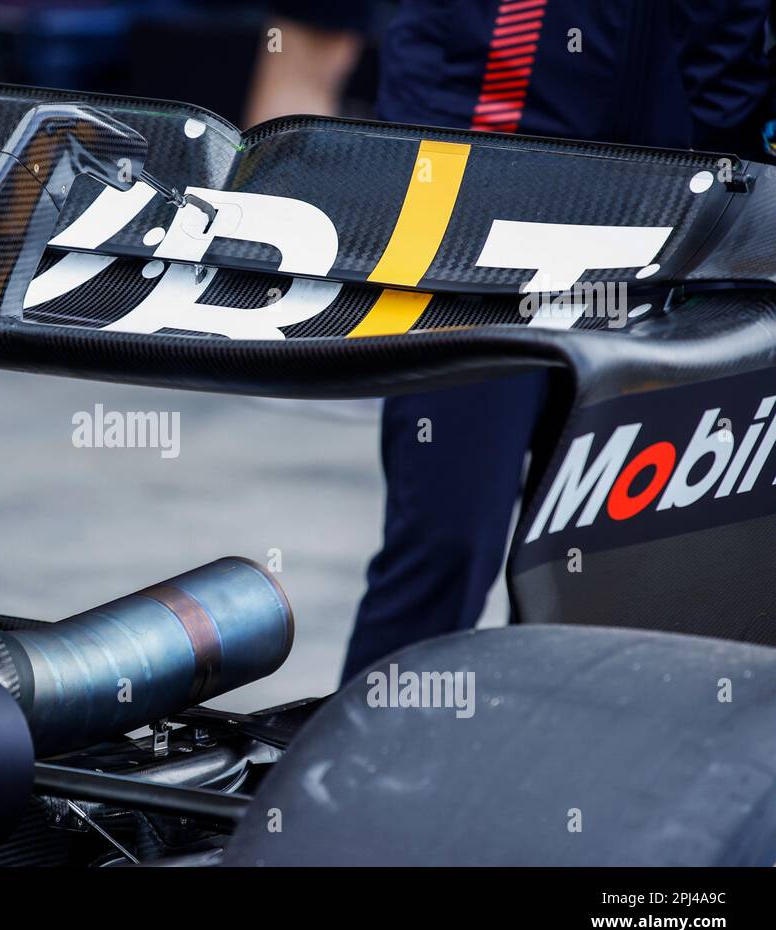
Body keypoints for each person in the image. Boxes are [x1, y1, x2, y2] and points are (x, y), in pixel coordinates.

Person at [246, 0, 774, 682]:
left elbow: (728, 49)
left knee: (604, 572)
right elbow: (309, 50)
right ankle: (370, 770)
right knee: (445, 547)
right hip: (482, 213)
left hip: (664, 214)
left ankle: (556, 773)